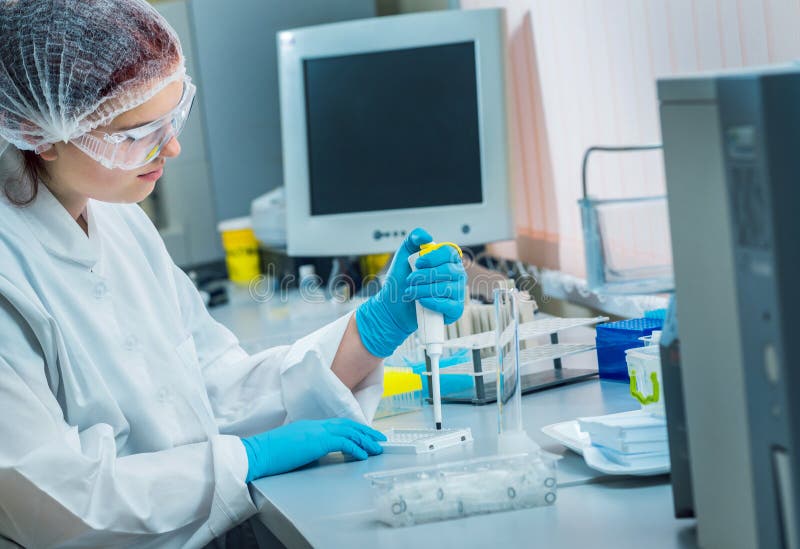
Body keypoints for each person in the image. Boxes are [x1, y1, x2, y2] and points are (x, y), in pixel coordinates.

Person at [0, 1, 467, 547]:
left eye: (173, 118)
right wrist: (248, 458)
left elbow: (212, 389)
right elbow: (53, 501)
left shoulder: (117, 218)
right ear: (40, 132)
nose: (170, 147)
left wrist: (373, 329)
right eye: (135, 134)